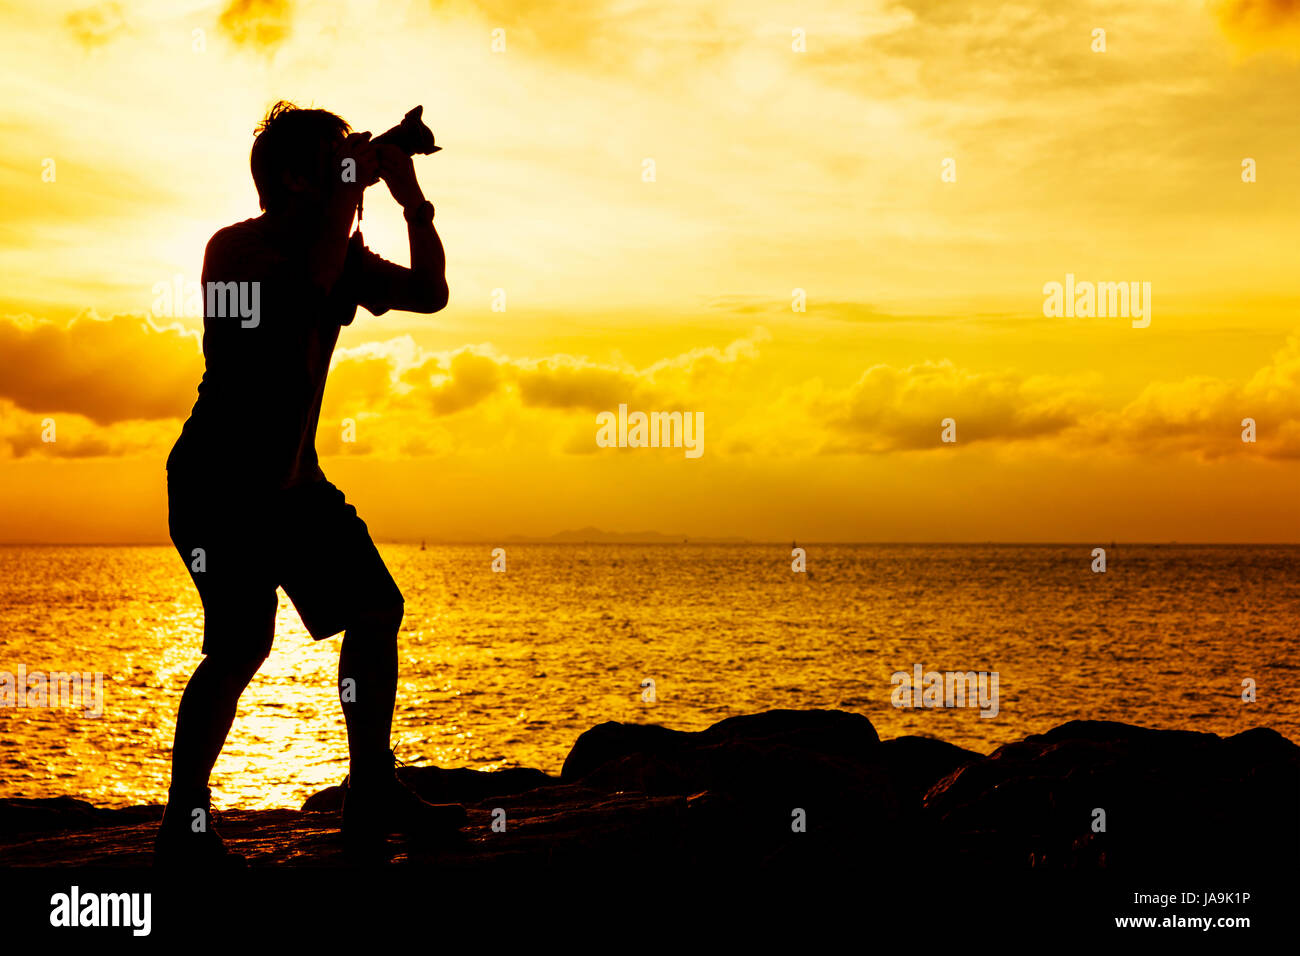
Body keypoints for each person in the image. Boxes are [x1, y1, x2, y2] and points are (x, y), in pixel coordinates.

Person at [155, 101, 461, 866]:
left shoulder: (336, 245)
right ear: (295, 179)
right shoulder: (234, 252)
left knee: (377, 609)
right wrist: (354, 189)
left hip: (292, 484)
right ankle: (184, 822)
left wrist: (408, 195)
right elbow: (305, 288)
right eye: (333, 157)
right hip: (218, 485)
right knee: (238, 646)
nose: (347, 163)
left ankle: (372, 788)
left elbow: (431, 292)